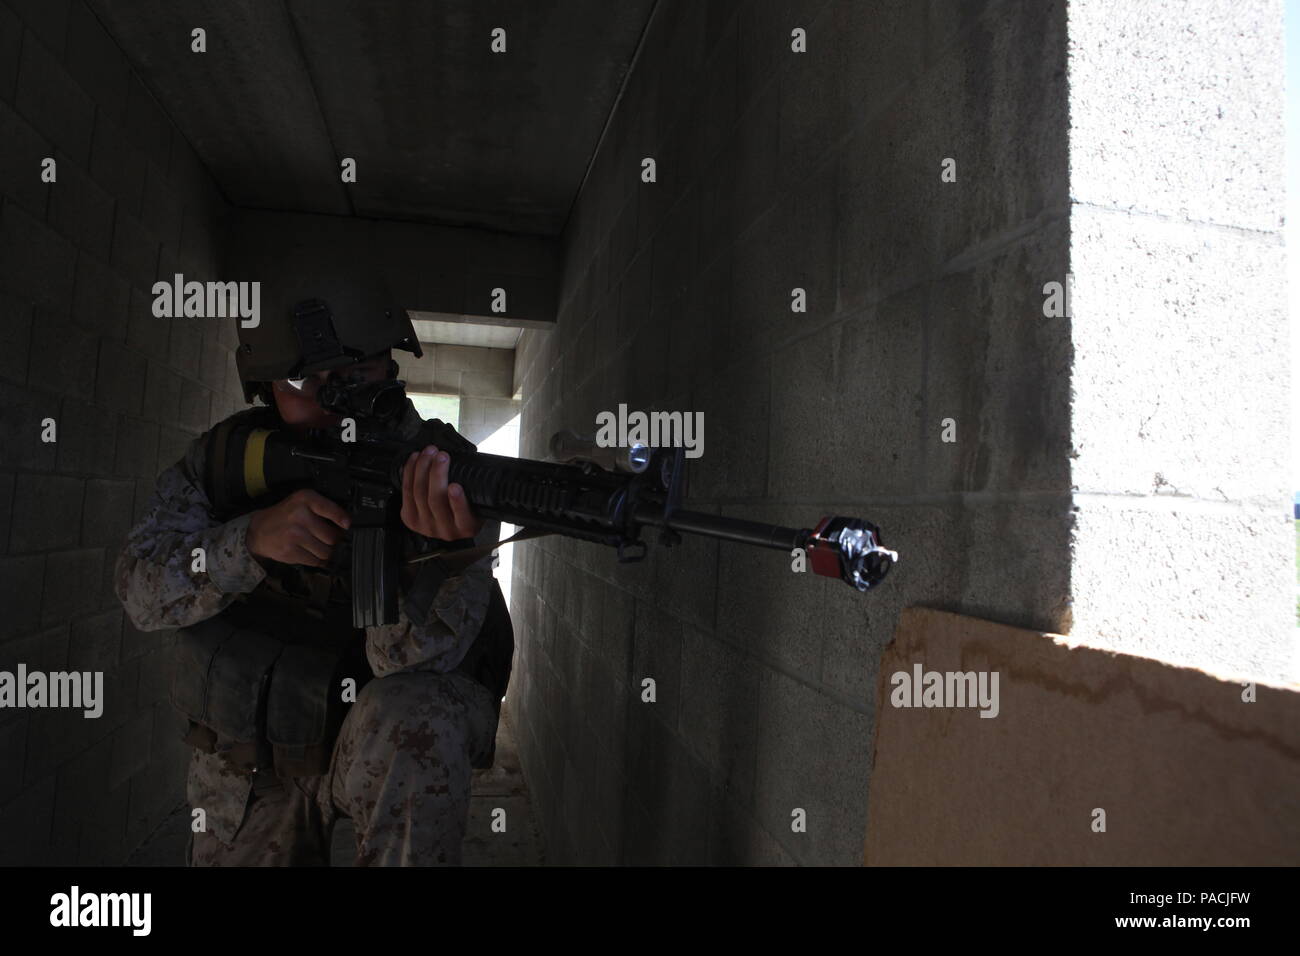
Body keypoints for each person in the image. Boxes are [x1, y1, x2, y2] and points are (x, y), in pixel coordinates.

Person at [114, 274, 513, 866]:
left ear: (389, 367)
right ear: (265, 388)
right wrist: (247, 542)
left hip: (377, 745)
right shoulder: (228, 461)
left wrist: (430, 558)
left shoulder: (445, 478)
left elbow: (406, 668)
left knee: (415, 713)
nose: (332, 400)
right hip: (252, 759)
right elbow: (140, 594)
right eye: (303, 380)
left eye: (356, 373)